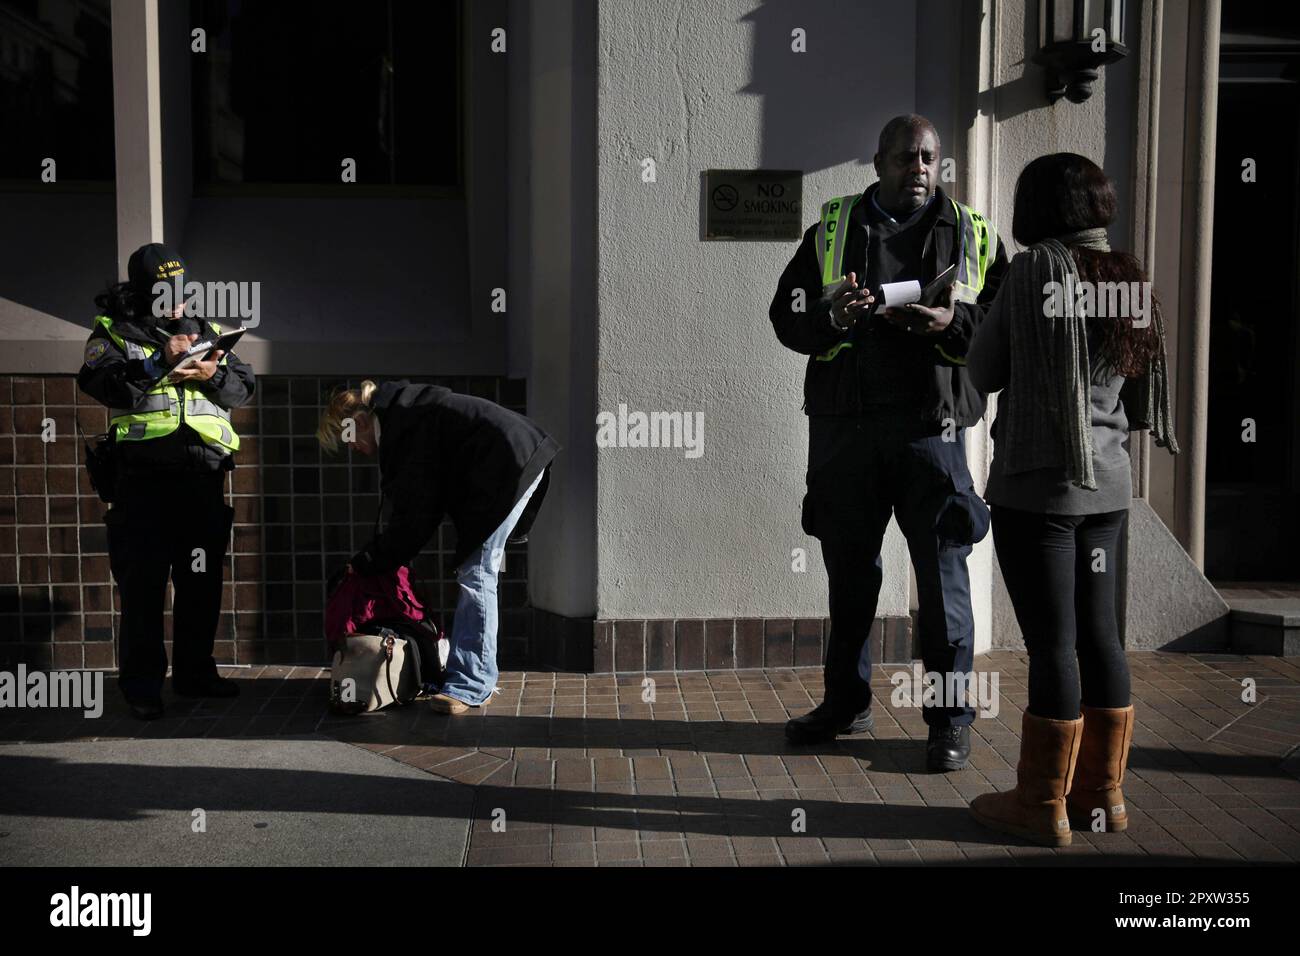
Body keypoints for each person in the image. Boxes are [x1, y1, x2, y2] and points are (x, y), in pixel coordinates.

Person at [769, 114, 1009, 770]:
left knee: (943, 585)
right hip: (845, 434)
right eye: (906, 158)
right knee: (850, 577)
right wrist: (827, 316)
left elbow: (1002, 322)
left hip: (930, 436)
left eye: (929, 158)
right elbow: (785, 314)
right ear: (878, 162)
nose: (920, 169)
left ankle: (950, 719)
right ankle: (845, 703)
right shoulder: (833, 228)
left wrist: (951, 320)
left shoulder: (971, 231)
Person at [965, 153, 1177, 846]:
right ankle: (1102, 799)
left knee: (1052, 646)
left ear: (1038, 209)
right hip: (1108, 491)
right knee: (1101, 639)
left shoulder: (1034, 272)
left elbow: (986, 371)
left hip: (1040, 491)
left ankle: (1041, 805)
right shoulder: (1126, 276)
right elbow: (1140, 384)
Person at [78, 243, 256, 720]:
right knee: (143, 586)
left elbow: (243, 389)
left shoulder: (211, 331)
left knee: (201, 581)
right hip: (142, 483)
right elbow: (102, 383)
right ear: (140, 292)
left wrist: (213, 374)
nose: (174, 302)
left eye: (179, 291)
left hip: (202, 477)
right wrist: (159, 360)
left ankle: (196, 672)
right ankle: (142, 686)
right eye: (162, 294)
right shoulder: (114, 332)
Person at [317, 380, 559, 714]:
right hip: (515, 455)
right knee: (477, 571)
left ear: (357, 422)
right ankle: (473, 678)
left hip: (508, 463)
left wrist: (371, 559)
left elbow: (416, 519)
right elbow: (419, 512)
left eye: (346, 438)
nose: (352, 448)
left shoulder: (405, 430)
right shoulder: (406, 418)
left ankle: (472, 684)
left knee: (477, 574)